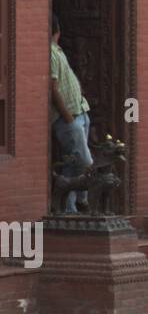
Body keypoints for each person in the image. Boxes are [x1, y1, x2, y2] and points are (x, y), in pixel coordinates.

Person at [51, 12, 92, 212]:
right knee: (85, 161)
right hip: (69, 118)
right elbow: (52, 88)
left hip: (80, 112)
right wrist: (67, 117)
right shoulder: (50, 52)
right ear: (57, 30)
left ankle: (69, 209)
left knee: (72, 162)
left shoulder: (57, 50)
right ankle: (83, 199)